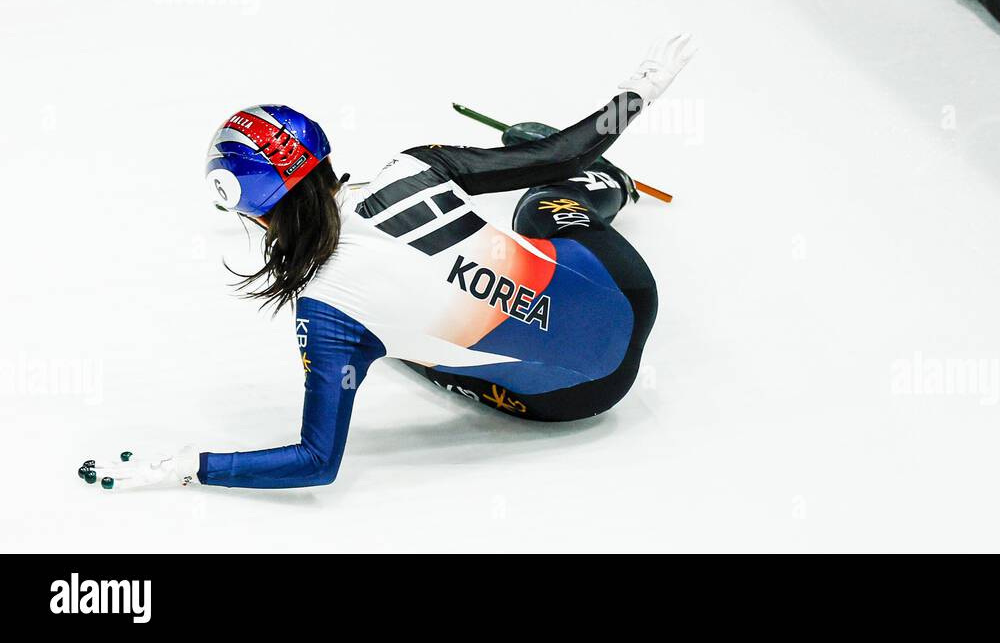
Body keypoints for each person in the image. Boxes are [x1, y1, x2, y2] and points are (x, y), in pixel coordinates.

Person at [77, 34, 697, 490]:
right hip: (628, 290)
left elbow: (315, 462)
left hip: (585, 394)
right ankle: (605, 186)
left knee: (400, 349)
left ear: (252, 213)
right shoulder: (414, 168)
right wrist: (641, 88)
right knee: (538, 205)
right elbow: (564, 152)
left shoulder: (327, 317)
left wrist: (191, 467)